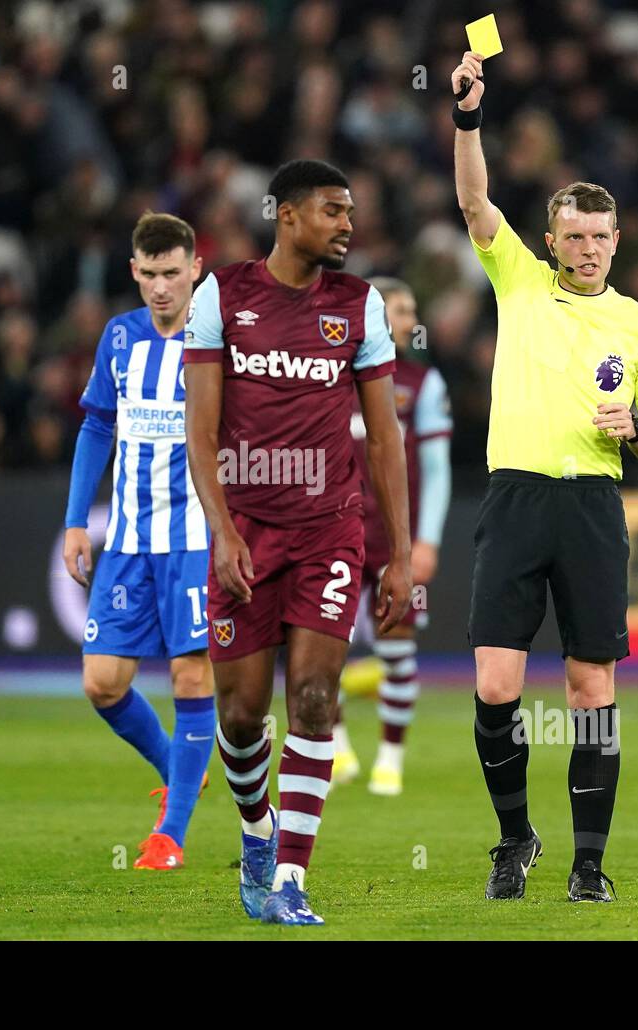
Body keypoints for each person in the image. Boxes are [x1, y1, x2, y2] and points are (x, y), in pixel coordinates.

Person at [452, 52, 638, 903]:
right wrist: (469, 119)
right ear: (550, 242)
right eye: (572, 236)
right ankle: (515, 840)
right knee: (495, 684)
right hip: (514, 498)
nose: (586, 249)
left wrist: (635, 432)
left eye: (599, 236)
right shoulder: (517, 281)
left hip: (590, 503)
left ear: (617, 241)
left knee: (590, 687)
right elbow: (475, 201)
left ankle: (590, 864)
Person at [184, 159, 412, 925]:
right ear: (285, 215)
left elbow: (384, 441)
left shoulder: (360, 306)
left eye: (350, 212)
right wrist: (220, 533)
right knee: (242, 716)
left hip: (329, 534)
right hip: (243, 534)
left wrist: (402, 557)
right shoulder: (224, 295)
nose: (348, 224)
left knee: (313, 698)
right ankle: (257, 830)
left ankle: (290, 878)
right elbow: (202, 430)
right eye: (332, 211)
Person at [62, 212, 216, 870]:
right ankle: (183, 766)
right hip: (127, 539)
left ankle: (170, 835)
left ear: (195, 270)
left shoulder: (217, 342)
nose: (160, 287)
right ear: (134, 271)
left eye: (171, 274)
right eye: (148, 275)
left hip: (197, 539)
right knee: (101, 683)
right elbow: (97, 425)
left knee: (190, 673)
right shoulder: (119, 338)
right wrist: (75, 520)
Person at [333, 278, 452, 796]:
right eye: (399, 308)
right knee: (318, 650)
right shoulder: (332, 376)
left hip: (392, 538)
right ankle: (336, 751)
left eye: (410, 310)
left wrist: (425, 540)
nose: (408, 319)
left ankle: (390, 760)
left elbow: (437, 468)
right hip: (331, 531)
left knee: (397, 649)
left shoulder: (423, 384)